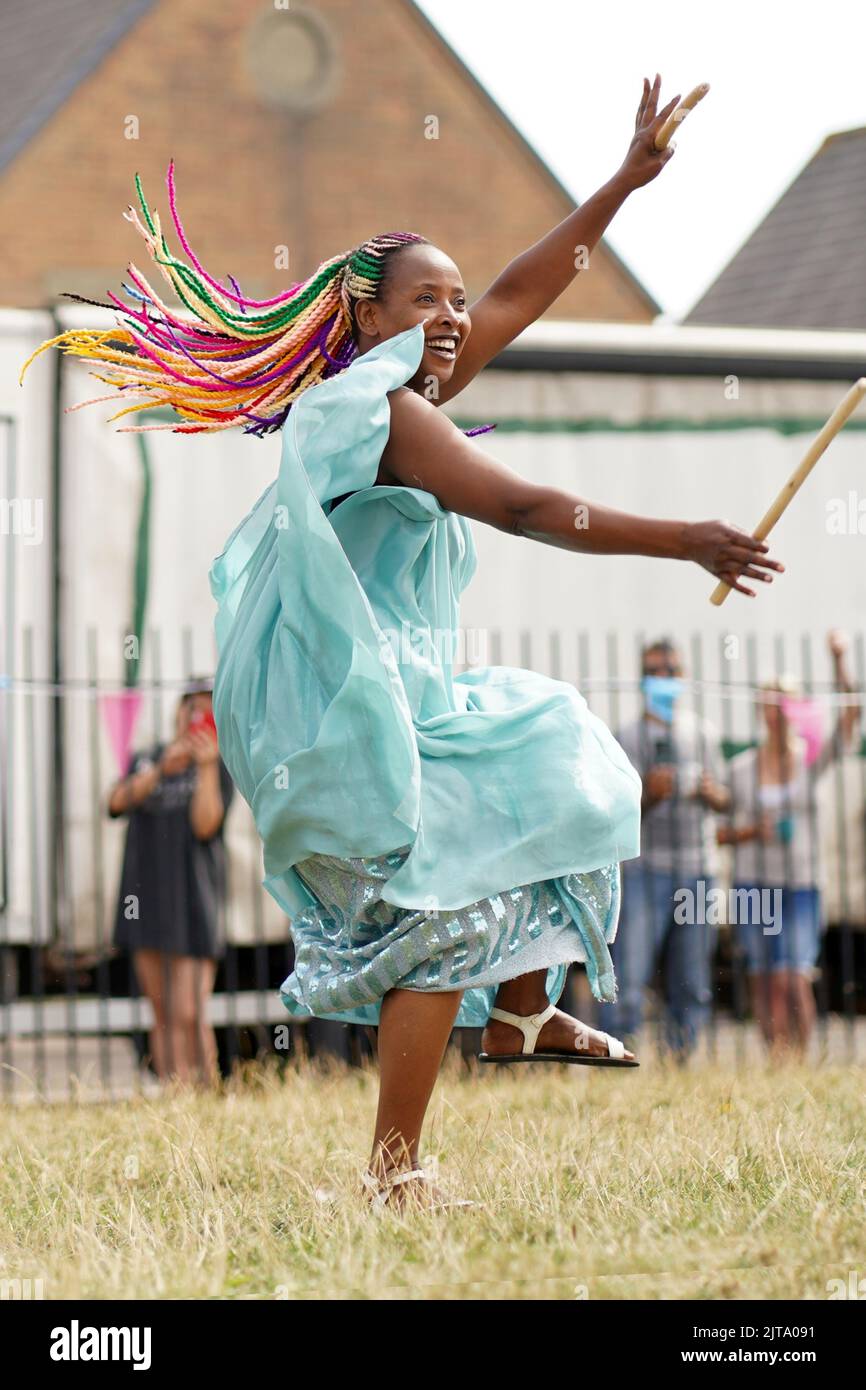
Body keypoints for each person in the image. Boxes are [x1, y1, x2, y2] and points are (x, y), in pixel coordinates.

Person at [26, 75, 782, 1210]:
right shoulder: (381, 415)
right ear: (364, 316)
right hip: (364, 715)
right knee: (448, 898)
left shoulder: (388, 396)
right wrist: (685, 537)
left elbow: (523, 293)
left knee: (555, 756)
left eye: (454, 300)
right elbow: (526, 508)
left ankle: (518, 1016)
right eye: (423, 298)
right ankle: (397, 1169)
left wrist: (621, 182)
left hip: (384, 701)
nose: (449, 315)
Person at [719, 630, 860, 1055]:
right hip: (752, 883)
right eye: (769, 703)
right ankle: (775, 1062)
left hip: (799, 884)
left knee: (793, 975)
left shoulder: (809, 758)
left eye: (784, 703)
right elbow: (721, 833)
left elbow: (851, 716)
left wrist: (838, 660)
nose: (776, 712)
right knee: (763, 978)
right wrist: (751, 831)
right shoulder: (742, 768)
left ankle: (799, 1059)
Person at [598, 639, 730, 1061]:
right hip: (644, 871)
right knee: (629, 975)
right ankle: (619, 1055)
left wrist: (711, 793)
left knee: (692, 978)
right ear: (643, 680)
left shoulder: (703, 733)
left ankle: (681, 1057)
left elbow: (727, 798)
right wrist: (650, 795)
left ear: (682, 675)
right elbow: (617, 810)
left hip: (697, 869)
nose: (665, 677)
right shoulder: (627, 736)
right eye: (656, 671)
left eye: (671, 670)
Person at [106, 680, 234, 1085]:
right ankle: (175, 1097)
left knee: (189, 1011)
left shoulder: (220, 764)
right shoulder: (149, 758)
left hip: (194, 897)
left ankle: (206, 1093)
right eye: (190, 709)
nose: (195, 718)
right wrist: (164, 768)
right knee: (161, 1014)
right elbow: (115, 802)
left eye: (205, 711)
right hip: (145, 896)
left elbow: (206, 824)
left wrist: (207, 766)